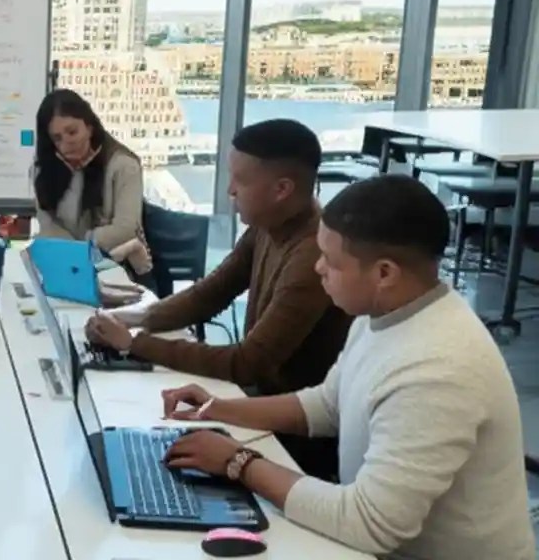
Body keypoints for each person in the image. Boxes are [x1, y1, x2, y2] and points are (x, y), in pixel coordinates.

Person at [162, 174, 534, 560]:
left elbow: (368, 524)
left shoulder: (439, 370)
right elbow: (329, 404)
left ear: (384, 273)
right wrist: (218, 409)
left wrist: (236, 461)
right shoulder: (384, 313)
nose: (318, 268)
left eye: (331, 261)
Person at [85, 118, 350, 479]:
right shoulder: (269, 226)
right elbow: (209, 294)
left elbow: (247, 363)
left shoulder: (310, 257)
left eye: (240, 181)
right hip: (254, 406)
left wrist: (134, 343)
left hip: (289, 441)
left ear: (282, 189)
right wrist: (130, 318)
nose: (229, 191)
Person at [33, 88, 151, 277]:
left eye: (72, 132)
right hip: (68, 265)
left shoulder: (123, 165)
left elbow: (125, 229)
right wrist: (72, 256)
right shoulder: (45, 168)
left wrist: (83, 247)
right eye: (57, 138)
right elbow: (48, 224)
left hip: (118, 267)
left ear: (89, 127)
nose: (67, 143)